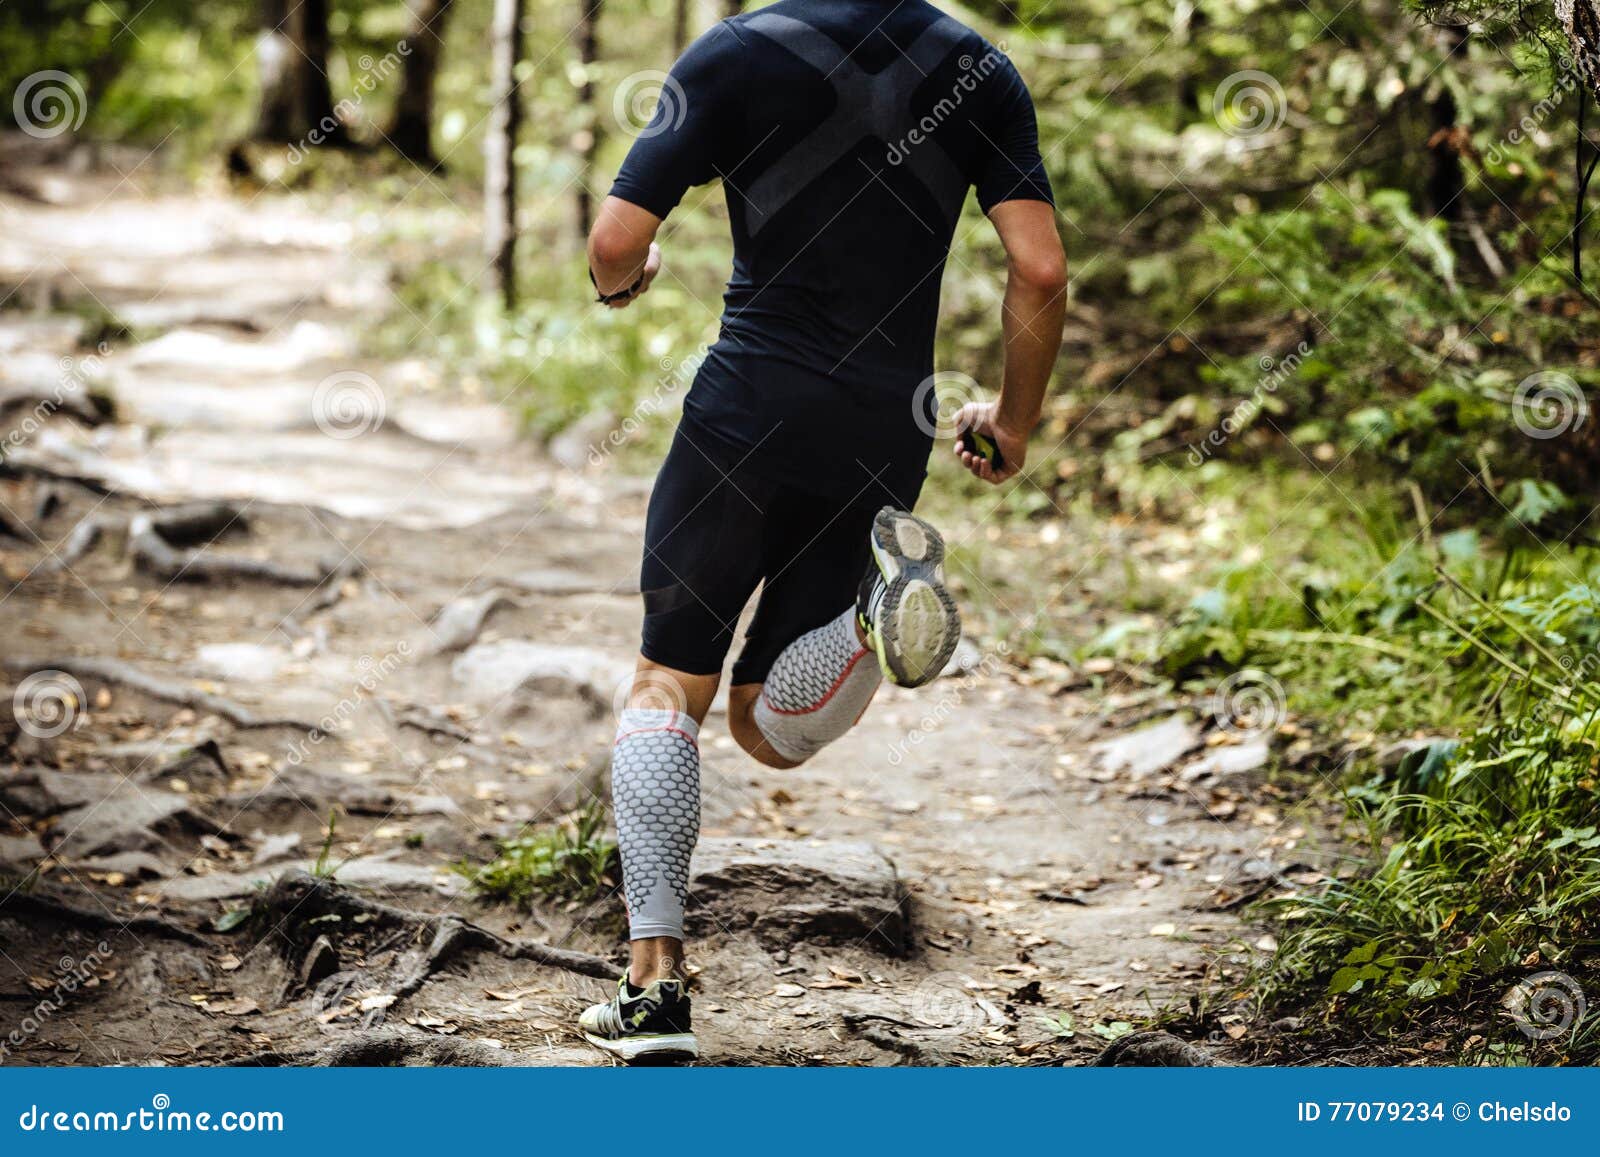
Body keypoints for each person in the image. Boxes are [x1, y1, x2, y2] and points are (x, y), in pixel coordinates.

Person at [578, 0, 1067, 1062]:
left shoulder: (736, 51)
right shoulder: (979, 69)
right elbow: (1039, 270)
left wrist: (630, 281)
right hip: (885, 426)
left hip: (745, 411)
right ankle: (870, 622)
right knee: (769, 725)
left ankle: (655, 992)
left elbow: (617, 243)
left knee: (672, 686)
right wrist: (1014, 424)